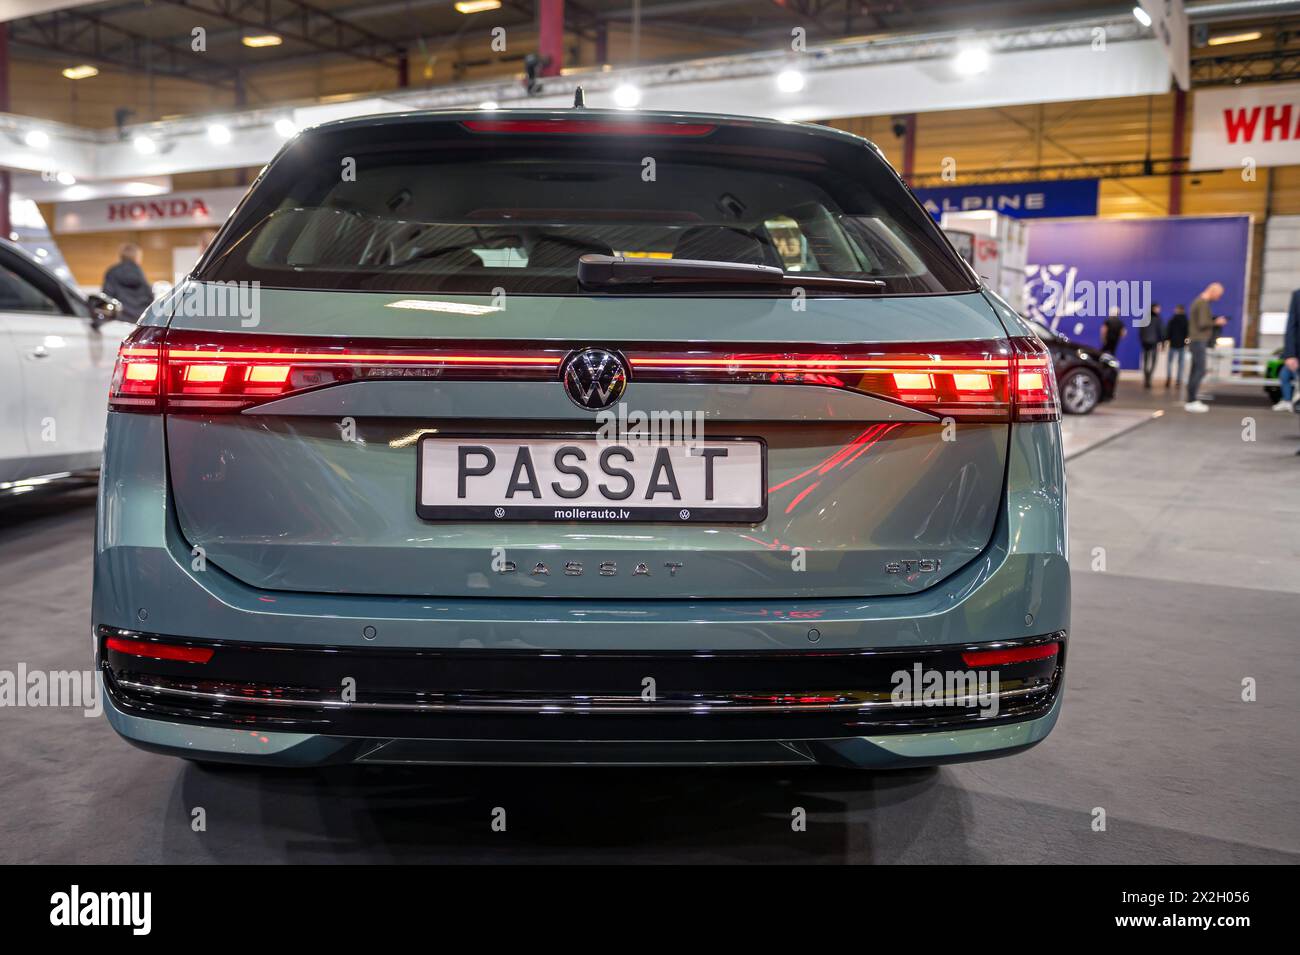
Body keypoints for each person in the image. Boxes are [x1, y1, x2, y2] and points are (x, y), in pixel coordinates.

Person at [1185, 282, 1227, 413]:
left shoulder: (1198, 302)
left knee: (1195, 370)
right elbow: (1203, 323)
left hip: (1197, 340)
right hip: (1199, 340)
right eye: (1218, 295)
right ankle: (1192, 401)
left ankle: (1191, 399)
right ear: (1213, 291)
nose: (1218, 298)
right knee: (1200, 370)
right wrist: (1216, 322)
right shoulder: (1202, 303)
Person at [101, 243, 154, 319]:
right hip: (139, 318)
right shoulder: (139, 272)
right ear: (137, 257)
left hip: (119, 318)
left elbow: (106, 296)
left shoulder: (112, 272)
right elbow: (149, 297)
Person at [1139, 302, 1164, 388]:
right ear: (1154, 308)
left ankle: (1147, 377)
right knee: (1153, 361)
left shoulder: (1145, 318)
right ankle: (1149, 376)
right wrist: (1162, 342)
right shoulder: (1158, 319)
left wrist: (1142, 339)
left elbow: (1141, 330)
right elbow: (1160, 331)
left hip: (1145, 342)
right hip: (1153, 342)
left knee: (1146, 361)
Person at [1164, 304, 1188, 389]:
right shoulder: (1186, 320)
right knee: (1180, 363)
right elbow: (1187, 333)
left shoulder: (1172, 320)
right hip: (1182, 344)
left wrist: (1166, 340)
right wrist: (1186, 342)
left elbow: (1168, 332)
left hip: (1173, 343)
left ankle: (1169, 377)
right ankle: (1178, 380)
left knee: (1170, 362)